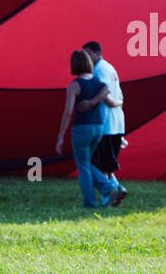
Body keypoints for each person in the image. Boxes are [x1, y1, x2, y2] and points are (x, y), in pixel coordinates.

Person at [55, 49, 121, 210]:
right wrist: (96, 101)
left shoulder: (74, 85)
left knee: (83, 167)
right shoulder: (98, 81)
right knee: (85, 163)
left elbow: (68, 111)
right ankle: (110, 188)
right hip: (98, 128)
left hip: (82, 129)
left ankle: (92, 201)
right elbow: (107, 91)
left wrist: (61, 136)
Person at [84, 40, 128, 207]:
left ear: (97, 54)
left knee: (97, 163)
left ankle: (109, 195)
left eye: (88, 54)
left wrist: (94, 101)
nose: (86, 58)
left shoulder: (100, 69)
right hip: (116, 123)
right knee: (106, 164)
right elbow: (121, 98)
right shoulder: (110, 68)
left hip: (106, 124)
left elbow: (105, 90)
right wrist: (115, 104)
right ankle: (117, 189)